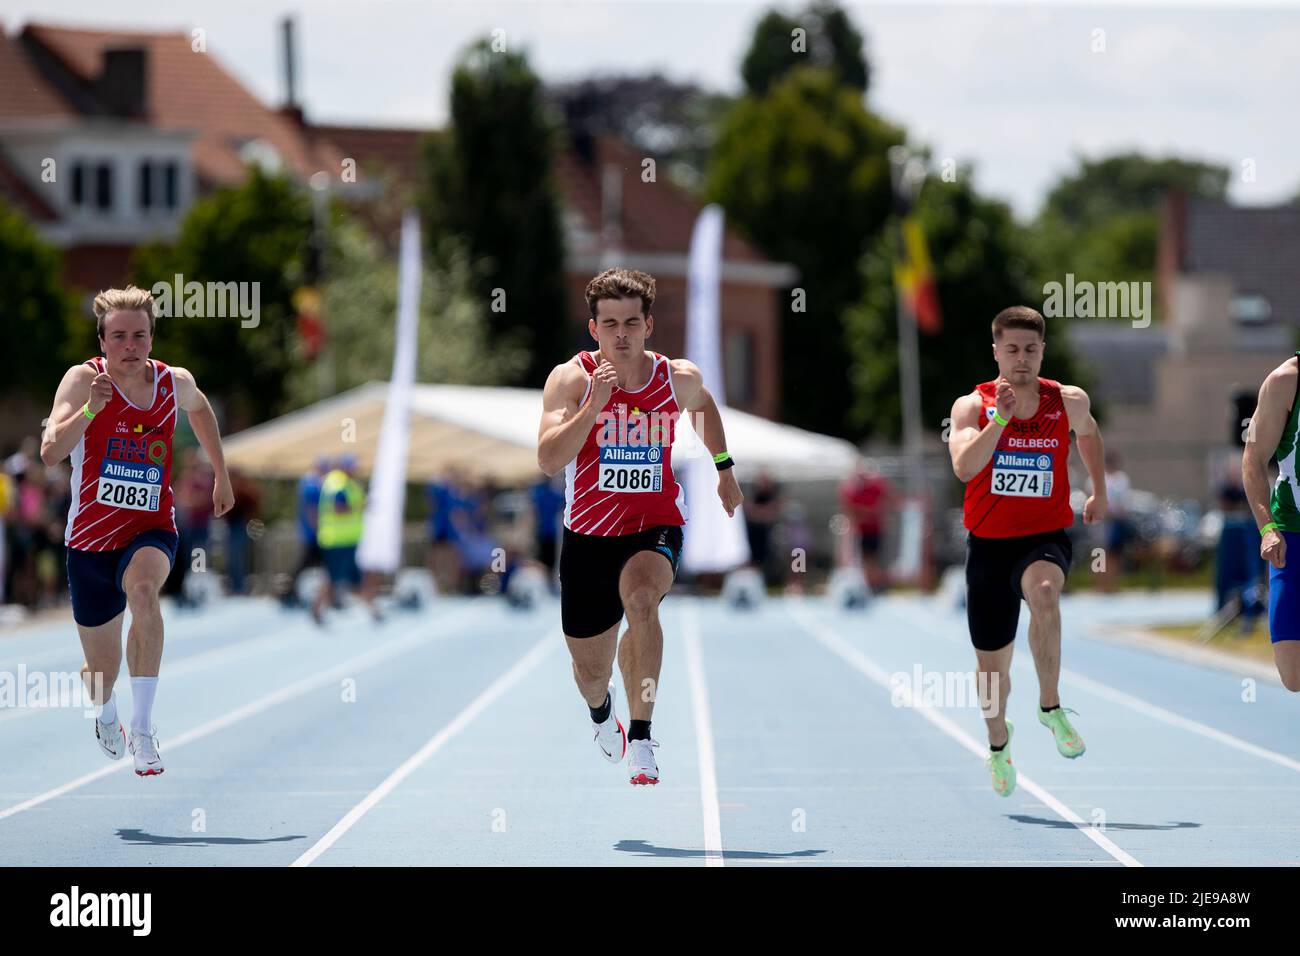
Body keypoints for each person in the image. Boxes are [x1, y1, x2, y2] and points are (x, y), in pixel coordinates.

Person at [536, 267, 743, 786]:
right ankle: (602, 712)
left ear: (649, 325)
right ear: (594, 329)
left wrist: (723, 468)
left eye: (631, 323)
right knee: (591, 673)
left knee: (643, 599)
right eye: (610, 324)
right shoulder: (571, 380)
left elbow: (703, 406)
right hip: (588, 538)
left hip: (653, 524)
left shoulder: (676, 378)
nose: (621, 335)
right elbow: (548, 459)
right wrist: (593, 408)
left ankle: (644, 736)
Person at [40, 285, 233, 776]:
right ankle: (105, 710)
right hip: (90, 542)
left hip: (151, 526)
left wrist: (221, 474)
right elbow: (50, 452)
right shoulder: (83, 380)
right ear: (102, 341)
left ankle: (143, 730)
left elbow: (200, 408)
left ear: (152, 338)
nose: (130, 346)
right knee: (101, 673)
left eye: (140, 336)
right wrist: (91, 410)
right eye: (120, 336)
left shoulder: (172, 382)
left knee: (144, 592)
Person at [946, 305, 1107, 797]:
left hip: (1043, 536)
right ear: (996, 351)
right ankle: (999, 744)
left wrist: (1098, 490)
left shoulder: (1067, 400)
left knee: (1045, 592)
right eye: (1012, 349)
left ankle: (1050, 706)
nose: (1022, 359)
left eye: (1031, 350)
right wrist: (1000, 419)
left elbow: (1090, 434)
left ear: (1042, 352)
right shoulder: (972, 407)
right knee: (992, 674)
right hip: (989, 547)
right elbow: (965, 468)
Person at [1240, 351, 1300, 690]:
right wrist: (1267, 528)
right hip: (1292, 534)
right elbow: (1253, 459)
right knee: (1293, 675)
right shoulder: (1284, 382)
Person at [312, 454, 382, 625]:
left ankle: (372, 609)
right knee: (333, 578)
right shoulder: (337, 483)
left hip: (346, 540)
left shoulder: (344, 483)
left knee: (353, 577)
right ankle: (317, 609)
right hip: (337, 540)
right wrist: (360, 507)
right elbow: (339, 508)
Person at [840, 458, 895, 592]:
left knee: (874, 560)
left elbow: (887, 501)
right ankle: (869, 585)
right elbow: (850, 510)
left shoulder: (875, 487)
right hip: (861, 532)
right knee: (864, 561)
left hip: (875, 530)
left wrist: (876, 513)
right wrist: (868, 513)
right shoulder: (852, 490)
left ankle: (875, 584)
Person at [283, 456, 328, 607]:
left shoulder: (308, 482)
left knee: (305, 566)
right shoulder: (313, 485)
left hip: (309, 532)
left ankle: (290, 593)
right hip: (312, 533)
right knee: (306, 566)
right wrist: (318, 529)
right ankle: (289, 594)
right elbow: (312, 511)